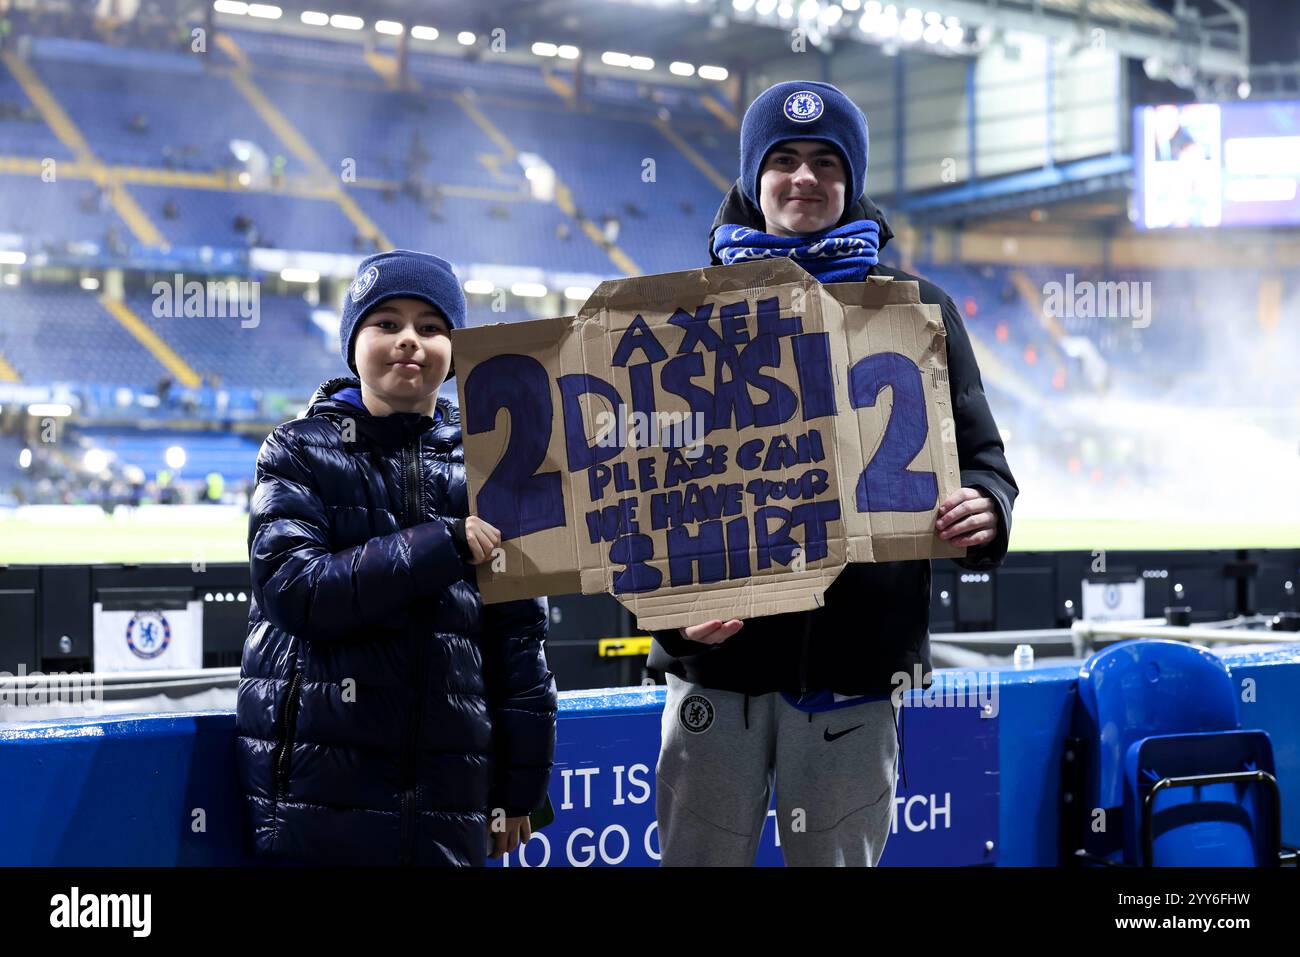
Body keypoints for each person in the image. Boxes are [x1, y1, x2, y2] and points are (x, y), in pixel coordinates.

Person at [648, 81, 1018, 867]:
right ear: (754, 177)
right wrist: (674, 620)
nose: (805, 178)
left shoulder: (918, 307)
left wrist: (987, 506)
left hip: (853, 671)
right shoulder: (682, 314)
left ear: (852, 181)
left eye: (826, 161)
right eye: (783, 159)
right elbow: (642, 495)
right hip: (719, 671)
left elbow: (985, 460)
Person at [236, 250, 557, 866]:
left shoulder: (495, 461)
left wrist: (520, 791)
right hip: (316, 789)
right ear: (353, 344)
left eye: (432, 328)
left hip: (451, 792)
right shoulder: (297, 450)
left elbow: (519, 639)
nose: (410, 340)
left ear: (455, 350)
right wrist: (444, 543)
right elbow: (297, 593)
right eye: (386, 323)